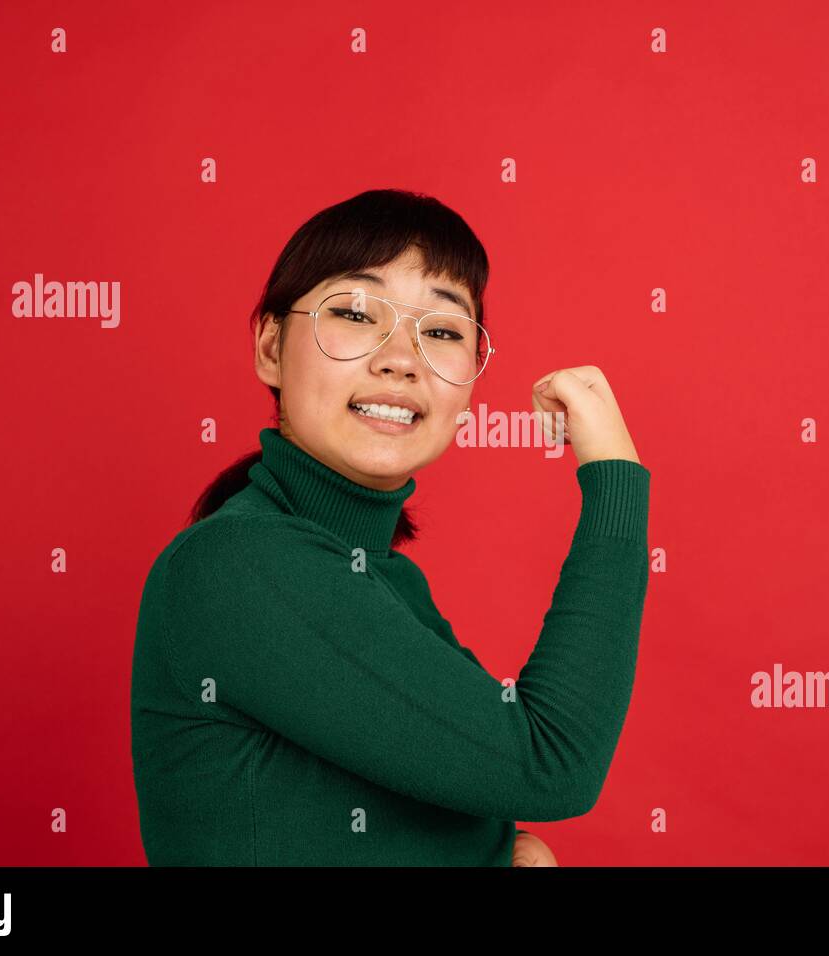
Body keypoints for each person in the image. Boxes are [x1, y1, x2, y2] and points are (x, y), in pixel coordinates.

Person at [130, 188, 651, 865]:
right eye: (353, 313)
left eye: (441, 331)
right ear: (269, 347)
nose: (400, 358)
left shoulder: (386, 579)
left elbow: (483, 792)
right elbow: (550, 763)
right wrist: (616, 474)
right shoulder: (238, 562)